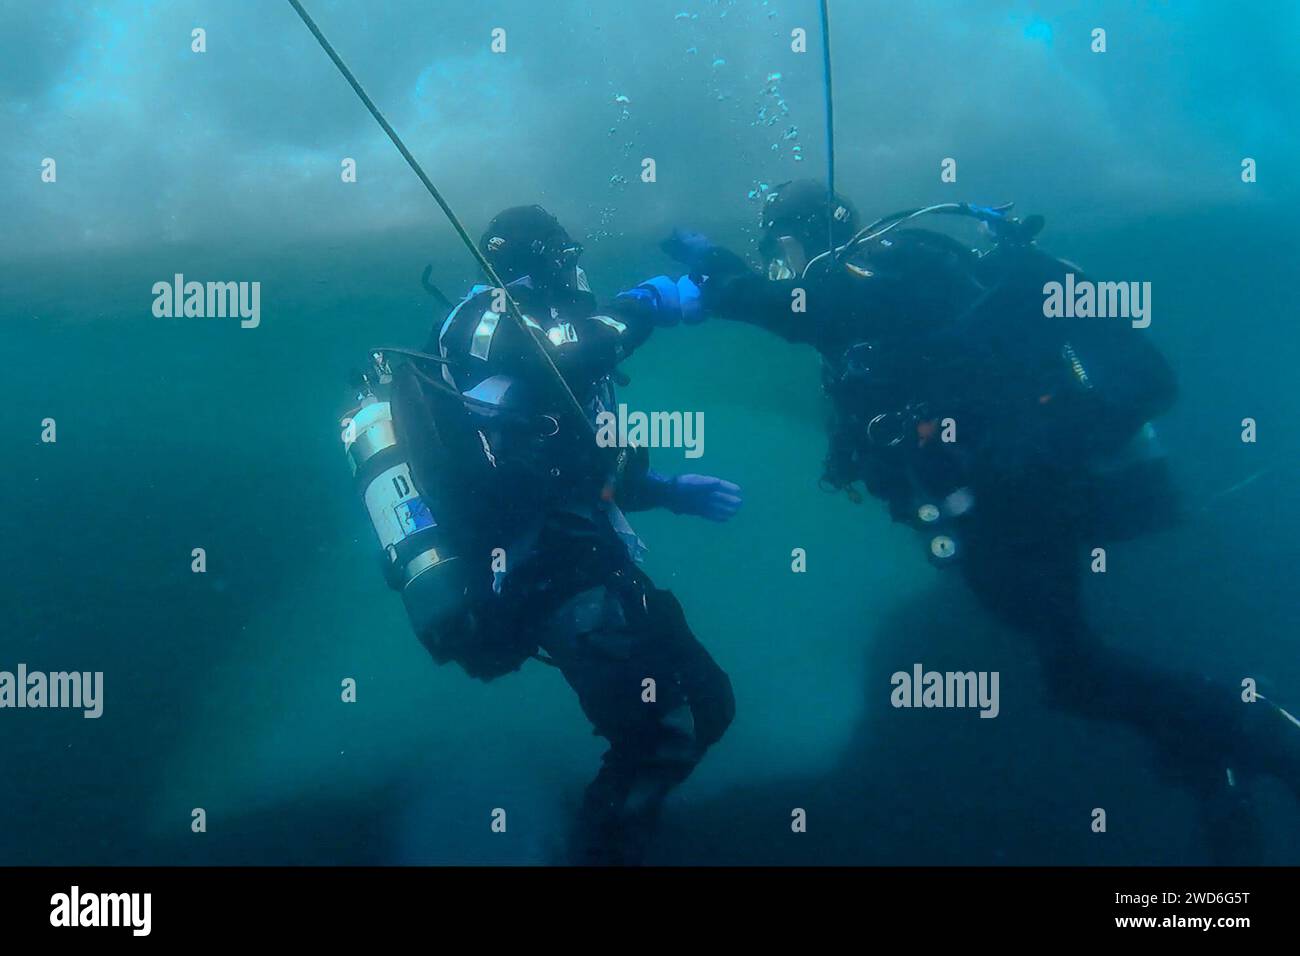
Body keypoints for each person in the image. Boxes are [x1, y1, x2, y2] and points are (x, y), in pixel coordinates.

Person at [626, 179, 1300, 853]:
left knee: (1078, 671)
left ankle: (1253, 729)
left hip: (1021, 490)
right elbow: (814, 308)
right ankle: (1218, 754)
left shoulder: (874, 264)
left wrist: (709, 290)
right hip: (1005, 497)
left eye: (780, 249)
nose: (778, 265)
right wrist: (716, 263)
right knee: (1076, 675)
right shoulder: (872, 276)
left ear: (806, 238)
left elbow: (802, 305)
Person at [398, 204, 740, 865]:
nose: (577, 267)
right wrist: (645, 304)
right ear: (545, 261)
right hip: (548, 571)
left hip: (586, 558)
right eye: (566, 256)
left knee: (704, 704)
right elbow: (583, 348)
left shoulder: (534, 337)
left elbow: (571, 460)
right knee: (660, 736)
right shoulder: (484, 323)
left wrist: (667, 491)